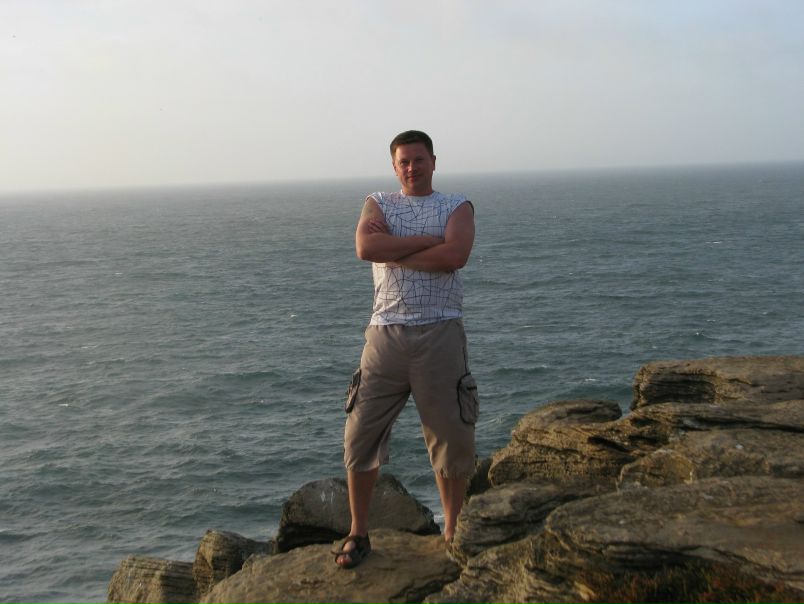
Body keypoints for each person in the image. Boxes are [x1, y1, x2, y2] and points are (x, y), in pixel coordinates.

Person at [334, 130, 479, 569]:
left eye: (419, 159)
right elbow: (366, 247)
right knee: (361, 432)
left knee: (450, 435)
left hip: (440, 332)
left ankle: (452, 531)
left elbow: (455, 257)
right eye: (404, 161)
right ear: (394, 166)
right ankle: (358, 532)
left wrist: (394, 249)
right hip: (385, 334)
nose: (412, 167)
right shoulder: (378, 203)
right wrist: (432, 241)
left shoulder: (457, 206)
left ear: (434, 161)